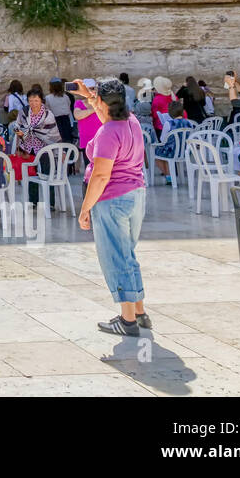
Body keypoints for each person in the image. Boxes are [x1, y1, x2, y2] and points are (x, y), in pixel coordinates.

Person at [75, 79, 149, 337]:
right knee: (127, 254)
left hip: (112, 199)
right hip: (136, 195)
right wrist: (90, 97)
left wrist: (85, 209)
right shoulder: (131, 122)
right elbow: (105, 113)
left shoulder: (108, 133)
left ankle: (127, 321)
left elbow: (100, 176)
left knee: (116, 258)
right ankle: (139, 311)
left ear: (106, 103)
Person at [16, 86, 61, 158]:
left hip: (44, 149)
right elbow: (17, 127)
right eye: (30, 101)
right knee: (26, 169)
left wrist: (59, 151)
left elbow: (54, 134)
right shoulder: (23, 112)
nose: (33, 103)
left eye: (36, 100)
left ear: (41, 101)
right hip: (26, 149)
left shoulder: (48, 115)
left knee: (45, 169)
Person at [73, 78, 104, 163]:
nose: (90, 91)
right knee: (89, 169)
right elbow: (77, 115)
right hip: (86, 142)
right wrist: (95, 108)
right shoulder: (79, 103)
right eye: (88, 89)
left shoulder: (102, 102)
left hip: (101, 142)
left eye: (92, 88)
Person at [45, 79, 76, 146]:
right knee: (68, 141)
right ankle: (70, 155)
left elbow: (48, 111)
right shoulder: (66, 97)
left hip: (56, 122)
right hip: (66, 121)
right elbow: (69, 108)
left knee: (59, 142)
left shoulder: (48, 98)